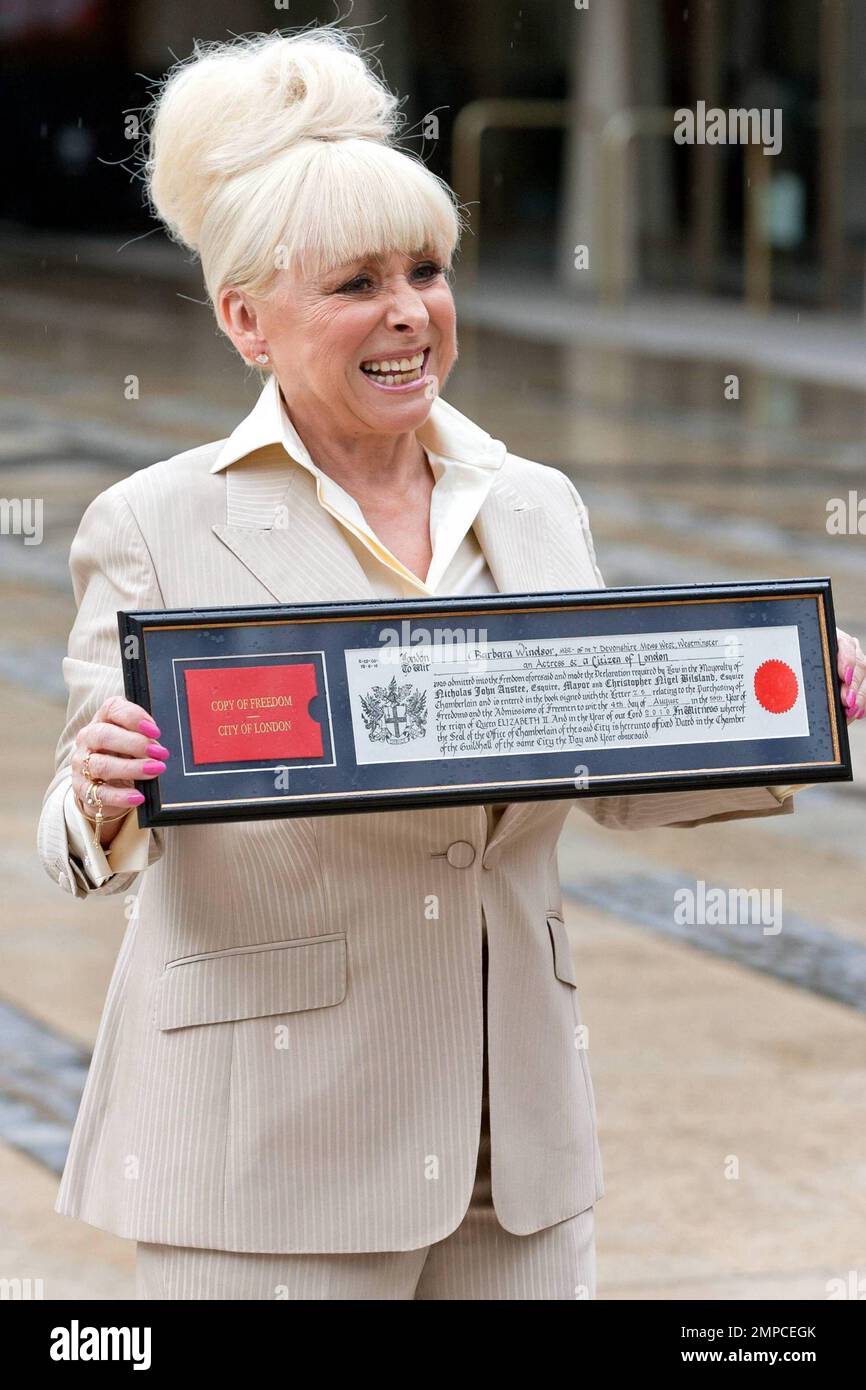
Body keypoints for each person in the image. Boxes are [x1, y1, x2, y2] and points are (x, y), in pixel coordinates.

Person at [37, 26, 865, 1301]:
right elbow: (81, 811)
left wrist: (790, 704)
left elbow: (612, 763)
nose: (407, 312)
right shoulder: (155, 522)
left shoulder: (533, 504)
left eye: (425, 269)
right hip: (273, 1145)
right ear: (246, 319)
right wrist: (98, 794)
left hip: (514, 1139)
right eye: (355, 281)